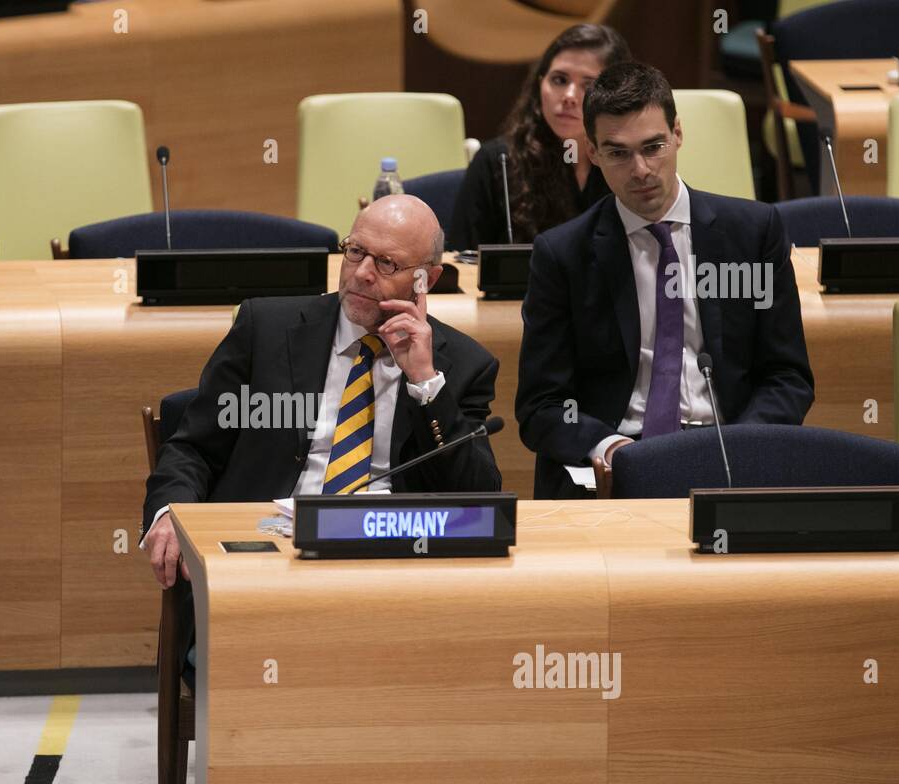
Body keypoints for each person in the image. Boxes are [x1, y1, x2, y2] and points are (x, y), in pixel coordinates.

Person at [143, 195, 503, 684]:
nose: (361, 273)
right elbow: (194, 446)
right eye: (355, 252)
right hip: (268, 562)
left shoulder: (460, 364)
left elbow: (474, 502)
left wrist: (424, 381)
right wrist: (169, 513)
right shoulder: (265, 329)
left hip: (391, 572)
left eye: (387, 263)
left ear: (427, 280)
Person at [515, 61, 815, 500]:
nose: (640, 169)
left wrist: (742, 446)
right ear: (593, 153)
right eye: (618, 152)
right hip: (616, 460)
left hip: (727, 448)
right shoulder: (563, 254)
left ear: (677, 133)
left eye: (653, 146)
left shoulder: (752, 233)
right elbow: (542, 405)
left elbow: (787, 376)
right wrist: (609, 448)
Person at [448, 23, 630, 251]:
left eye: (589, 85)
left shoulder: (629, 163)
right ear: (540, 84)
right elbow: (460, 259)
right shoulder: (497, 163)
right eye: (560, 80)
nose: (569, 96)